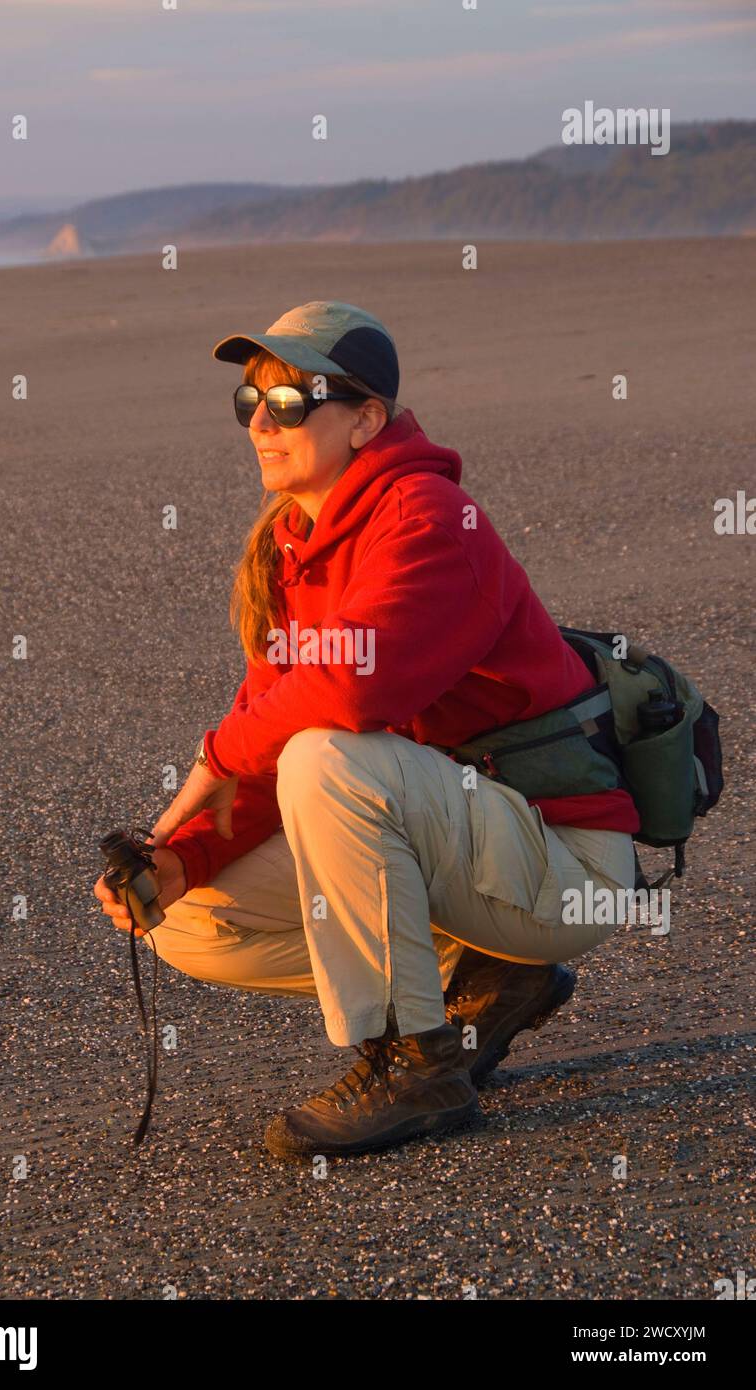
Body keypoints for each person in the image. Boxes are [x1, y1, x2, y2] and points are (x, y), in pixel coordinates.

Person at [94, 300, 638, 1161]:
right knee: (184, 916)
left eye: (289, 401)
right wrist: (181, 854)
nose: (262, 426)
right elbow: (270, 731)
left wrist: (209, 760)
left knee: (325, 756)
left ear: (367, 418)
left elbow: (346, 696)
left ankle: (414, 1066)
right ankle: (481, 977)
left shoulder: (429, 521)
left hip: (561, 864)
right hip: (456, 846)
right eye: (249, 403)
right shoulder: (290, 545)